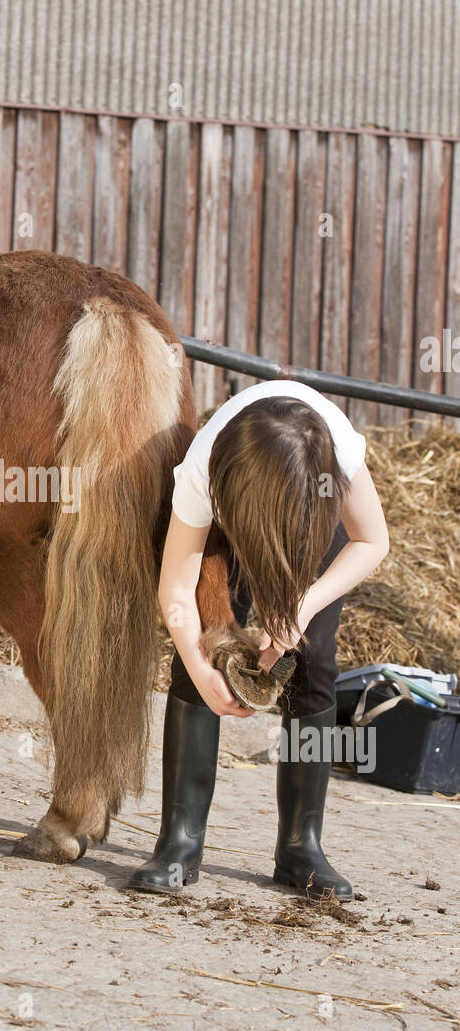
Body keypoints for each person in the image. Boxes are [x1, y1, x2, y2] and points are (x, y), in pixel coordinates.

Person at [128, 381, 390, 900]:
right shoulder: (204, 470)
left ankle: (300, 846)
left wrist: (301, 607)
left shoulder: (334, 455)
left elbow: (372, 540)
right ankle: (180, 842)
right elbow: (176, 587)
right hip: (235, 512)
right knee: (203, 644)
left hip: (308, 522)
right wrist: (204, 675)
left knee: (314, 664)